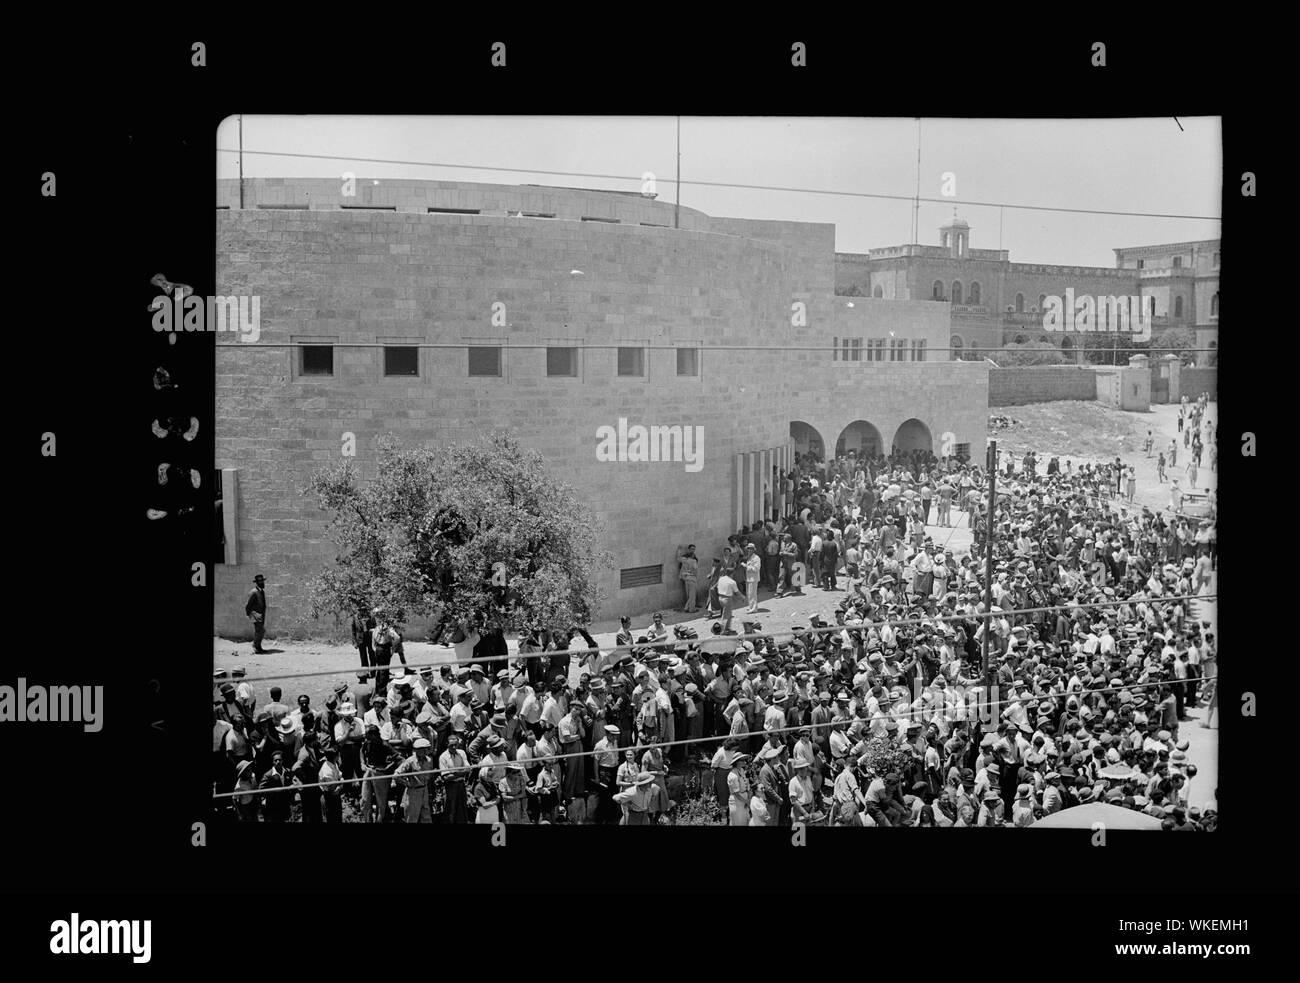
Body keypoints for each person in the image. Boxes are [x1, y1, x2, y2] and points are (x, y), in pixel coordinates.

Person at [245, 574, 268, 654]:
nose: (262, 583)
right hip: (255, 615)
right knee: (260, 630)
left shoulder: (261, 591)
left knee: (260, 631)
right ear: (257, 583)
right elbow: (248, 604)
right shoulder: (253, 592)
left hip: (261, 615)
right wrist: (249, 614)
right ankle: (255, 646)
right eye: (260, 581)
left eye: (262, 581)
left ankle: (258, 647)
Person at [678, 545, 699, 613]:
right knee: (692, 595)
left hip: (686, 579)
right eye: (692, 549)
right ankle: (691, 609)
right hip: (692, 579)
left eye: (694, 549)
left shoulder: (684, 560)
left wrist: (679, 550)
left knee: (689, 595)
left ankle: (687, 607)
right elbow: (695, 570)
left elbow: (678, 558)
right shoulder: (693, 561)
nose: (693, 550)